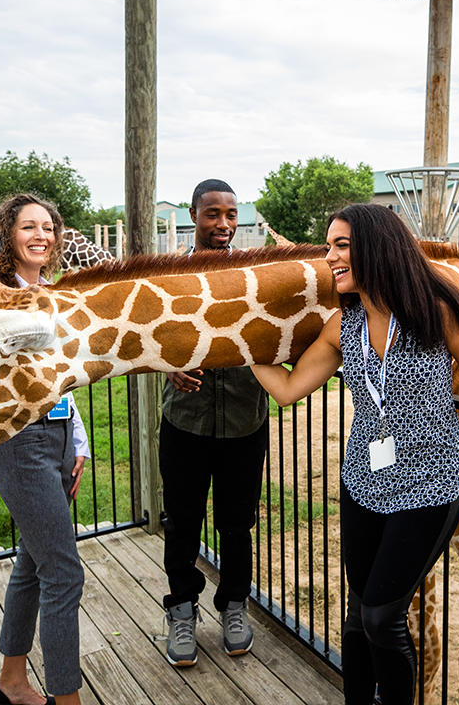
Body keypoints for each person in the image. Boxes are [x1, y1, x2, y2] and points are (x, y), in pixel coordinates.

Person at [251, 203, 459, 705]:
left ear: (377, 247)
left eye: (341, 246)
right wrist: (243, 345)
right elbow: (286, 389)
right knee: (356, 616)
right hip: (363, 484)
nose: (330, 257)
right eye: (329, 246)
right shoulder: (342, 326)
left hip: (429, 485)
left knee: (381, 617)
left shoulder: (436, 310)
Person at [0, 193, 89, 705]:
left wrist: (77, 439)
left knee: (32, 560)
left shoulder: (52, 294)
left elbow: (59, 378)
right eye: (29, 227)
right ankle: (68, 699)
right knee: (63, 572)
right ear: (8, 234)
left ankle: (11, 682)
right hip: (19, 441)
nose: (41, 235)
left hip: (59, 435)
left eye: (48, 227)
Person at [160, 179, 269, 666]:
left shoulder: (256, 275)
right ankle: (181, 608)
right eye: (213, 214)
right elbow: (148, 338)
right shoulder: (170, 276)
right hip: (185, 421)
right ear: (193, 215)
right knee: (182, 522)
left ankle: (234, 606)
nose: (223, 224)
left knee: (237, 524)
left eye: (231, 215)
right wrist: (166, 364)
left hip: (245, 421)